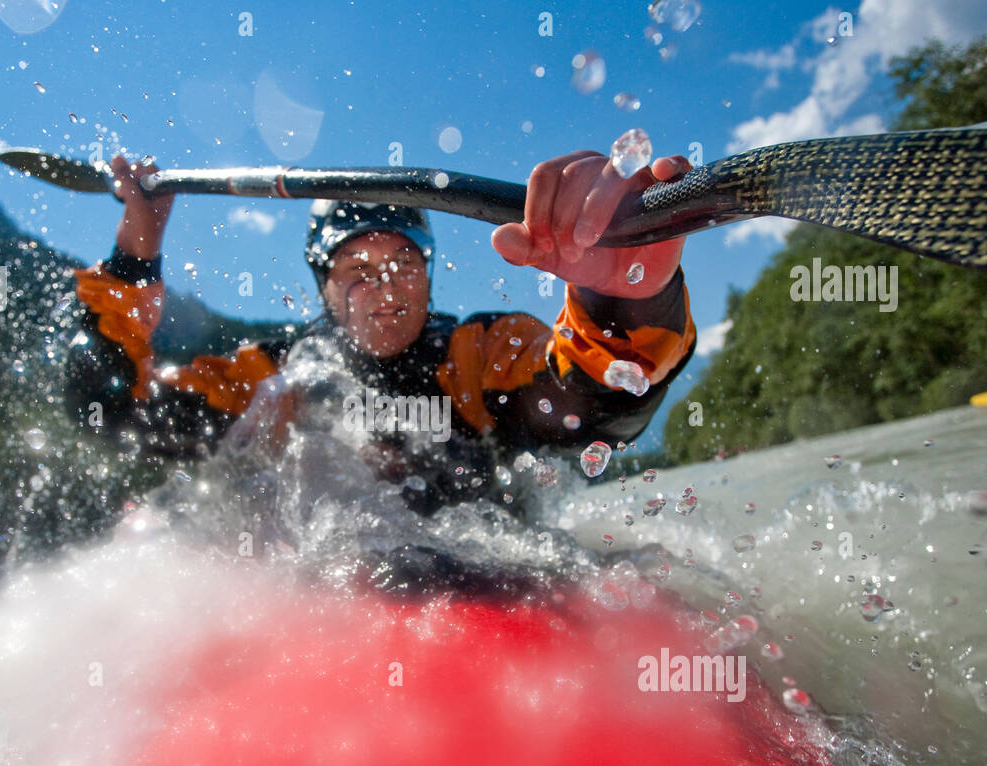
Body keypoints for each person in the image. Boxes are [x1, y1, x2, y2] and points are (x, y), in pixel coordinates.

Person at [65, 150, 697, 512]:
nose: (387, 290)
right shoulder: (275, 378)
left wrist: (624, 295)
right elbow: (110, 407)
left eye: (402, 265)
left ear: (428, 273)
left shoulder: (477, 354)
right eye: (358, 271)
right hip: (330, 598)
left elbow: (592, 406)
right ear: (323, 285)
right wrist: (136, 249)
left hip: (488, 582)